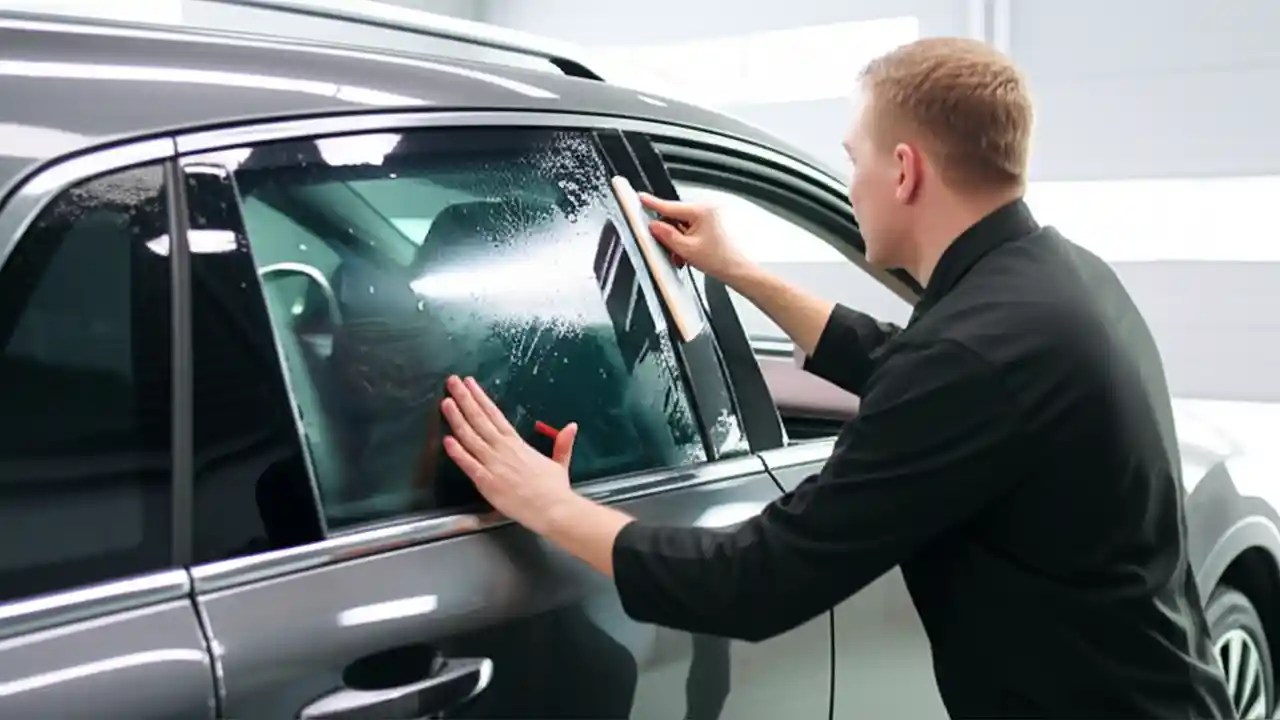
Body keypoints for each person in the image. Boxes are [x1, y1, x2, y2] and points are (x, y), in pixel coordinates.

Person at [437, 37, 1235, 718]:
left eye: (852, 160)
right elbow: (911, 366)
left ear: (904, 170)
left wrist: (551, 506)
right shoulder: (1059, 280)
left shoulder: (972, 354)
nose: (848, 183)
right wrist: (740, 272)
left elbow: (757, 581)